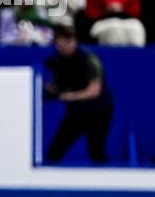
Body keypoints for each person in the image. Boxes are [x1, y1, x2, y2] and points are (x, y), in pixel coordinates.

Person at [43, 23, 112, 163]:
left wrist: (66, 96)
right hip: (76, 112)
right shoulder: (54, 62)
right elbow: (56, 85)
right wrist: (50, 90)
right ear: (56, 42)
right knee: (54, 152)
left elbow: (94, 91)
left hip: (99, 110)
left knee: (96, 151)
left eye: (71, 40)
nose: (68, 44)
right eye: (63, 41)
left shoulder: (90, 59)